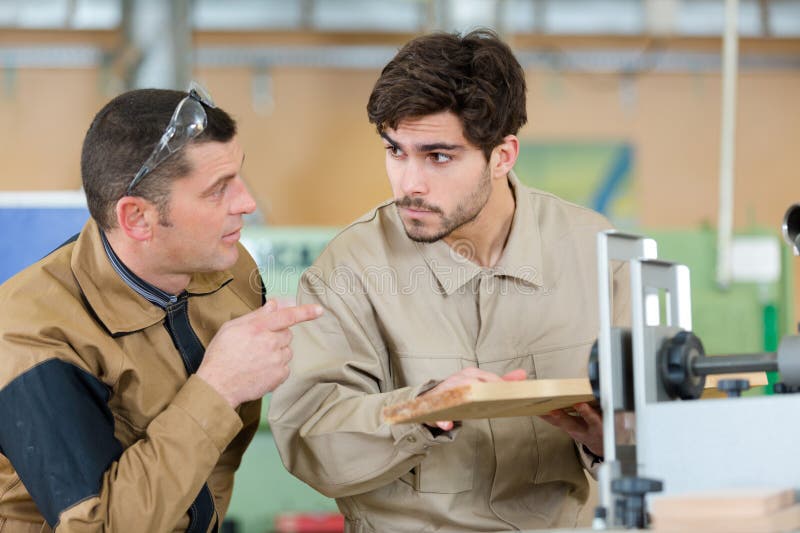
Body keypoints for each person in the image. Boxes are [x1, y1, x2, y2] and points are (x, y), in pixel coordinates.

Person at [269, 29, 627, 532]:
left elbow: (659, 434)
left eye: (438, 157)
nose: (409, 183)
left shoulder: (597, 251)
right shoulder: (347, 269)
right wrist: (420, 410)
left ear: (502, 156)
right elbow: (309, 446)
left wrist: (610, 440)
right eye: (396, 151)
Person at [0, 84, 322, 532]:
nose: (247, 203)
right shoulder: (31, 336)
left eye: (239, 175)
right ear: (136, 218)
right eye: (217, 190)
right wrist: (218, 388)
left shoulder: (229, 272)